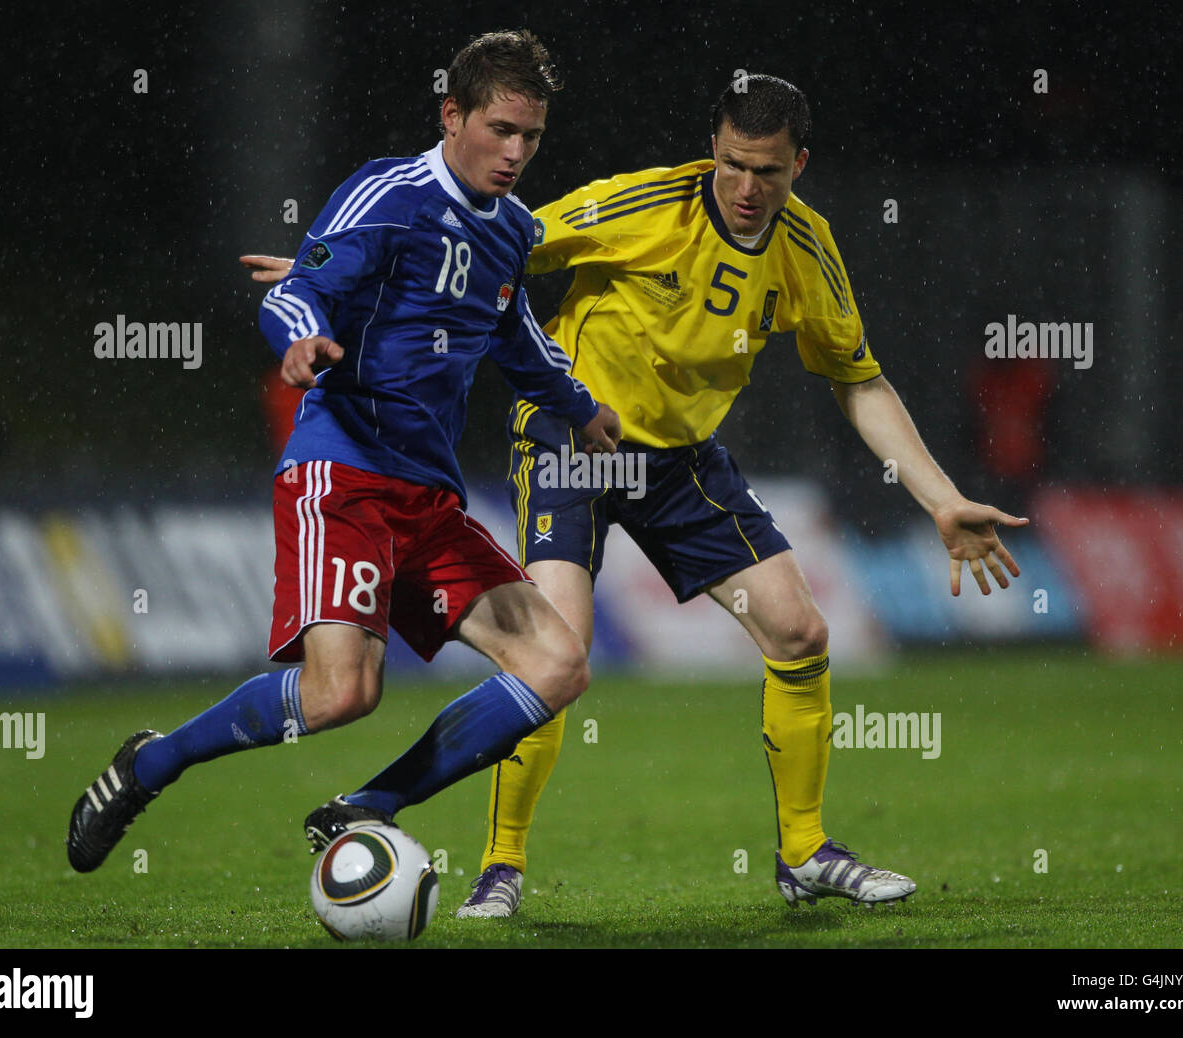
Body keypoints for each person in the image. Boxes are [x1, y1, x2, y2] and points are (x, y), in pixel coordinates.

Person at [242, 74, 1027, 917]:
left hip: (683, 461)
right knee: (557, 649)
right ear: (712, 148)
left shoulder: (808, 248)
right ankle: (501, 866)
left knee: (799, 628)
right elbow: (493, 244)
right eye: (732, 164)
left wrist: (941, 499)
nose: (748, 187)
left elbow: (859, 380)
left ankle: (803, 851)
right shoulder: (638, 205)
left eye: (768, 171)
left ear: (799, 164)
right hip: (574, 441)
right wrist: (353, 272)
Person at [66, 29, 621, 875]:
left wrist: (580, 407)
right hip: (345, 472)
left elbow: (514, 336)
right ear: (452, 114)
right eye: (500, 130)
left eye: (531, 137)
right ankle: (152, 763)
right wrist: (302, 339)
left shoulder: (512, 230)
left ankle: (370, 805)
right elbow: (301, 290)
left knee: (558, 664)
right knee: (342, 694)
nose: (515, 153)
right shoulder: (388, 194)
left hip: (428, 498)